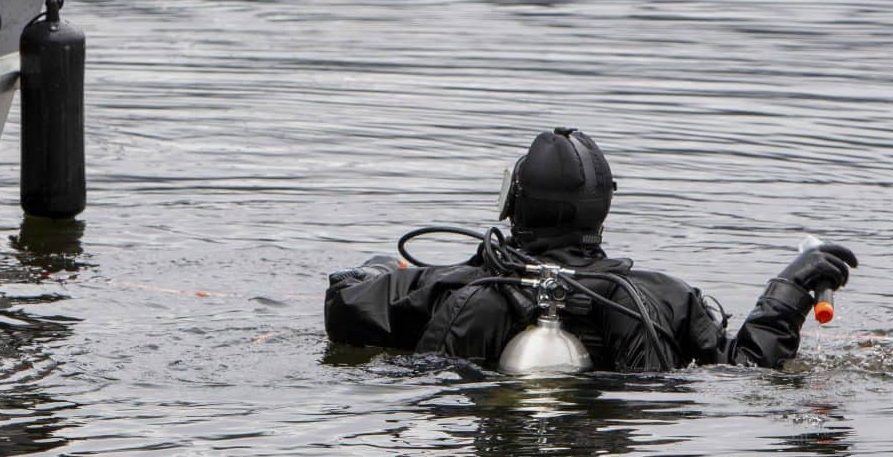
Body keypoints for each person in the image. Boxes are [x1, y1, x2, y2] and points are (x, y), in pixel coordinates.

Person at [323, 128, 858, 373]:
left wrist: (378, 268)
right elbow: (746, 369)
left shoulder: (447, 289)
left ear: (513, 202)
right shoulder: (663, 299)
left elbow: (345, 304)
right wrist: (787, 293)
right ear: (603, 209)